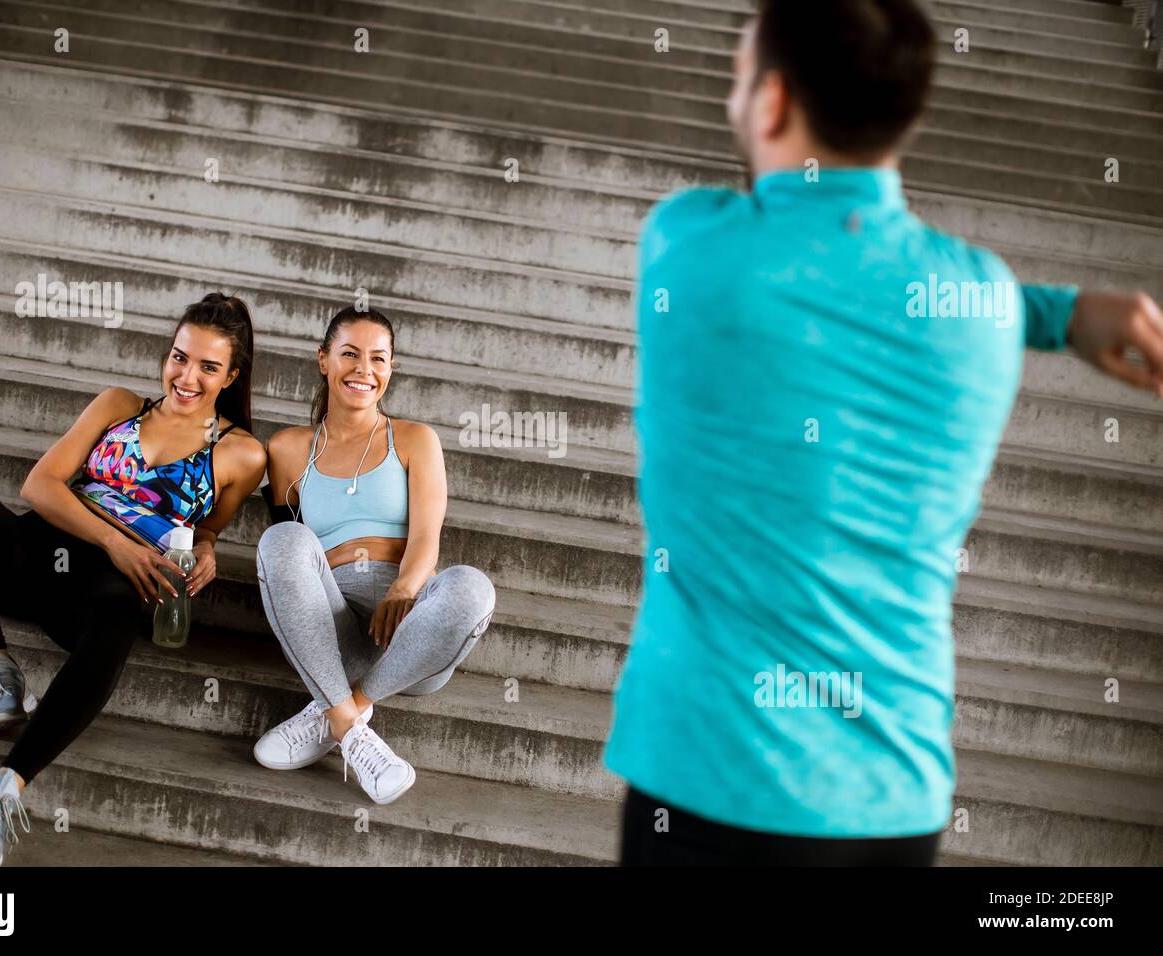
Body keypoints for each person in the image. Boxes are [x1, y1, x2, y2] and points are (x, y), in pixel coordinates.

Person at [603, 0, 1163, 866]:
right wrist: (1061, 315)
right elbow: (949, 291)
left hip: (701, 779)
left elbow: (800, 258)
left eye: (739, 76)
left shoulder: (686, 244)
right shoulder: (979, 301)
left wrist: (1058, 316)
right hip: (890, 802)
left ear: (775, 101)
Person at [0, 292, 267, 865]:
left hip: (104, 592)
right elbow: (40, 485)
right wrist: (115, 541)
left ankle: (3, 791)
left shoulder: (241, 453)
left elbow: (207, 528)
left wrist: (207, 548)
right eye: (179, 357)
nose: (186, 376)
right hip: (39, 553)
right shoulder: (120, 405)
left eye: (208, 367)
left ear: (233, 374)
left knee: (118, 610)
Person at [253, 306, 496, 805]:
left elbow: (427, 535)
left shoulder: (414, 439)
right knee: (283, 542)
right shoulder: (287, 448)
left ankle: (340, 711)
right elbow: (290, 559)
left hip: (408, 630)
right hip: (330, 627)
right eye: (349, 354)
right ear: (324, 360)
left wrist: (405, 588)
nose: (364, 369)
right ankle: (352, 727)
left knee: (473, 586)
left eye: (378, 358)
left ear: (390, 368)